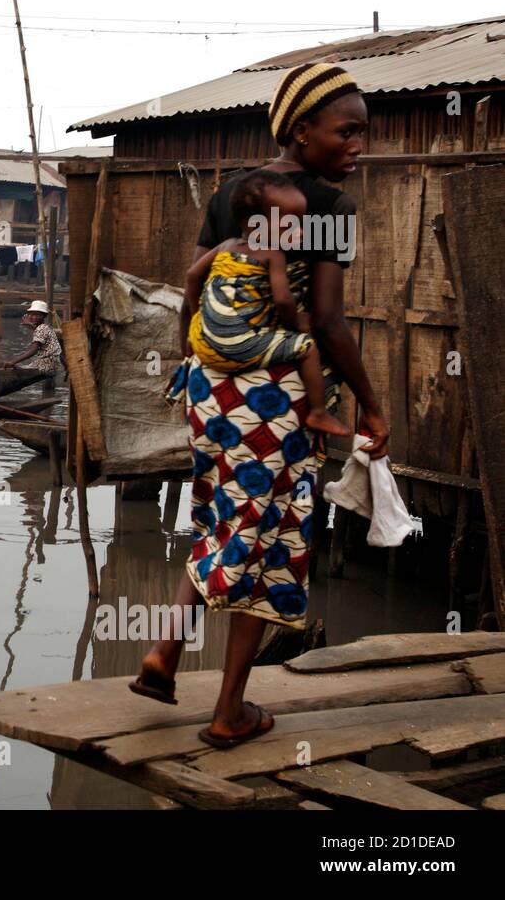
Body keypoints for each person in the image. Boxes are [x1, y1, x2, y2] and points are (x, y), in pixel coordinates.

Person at [131, 62, 390, 749]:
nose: (359, 144)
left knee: (220, 515)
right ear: (302, 131)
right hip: (280, 398)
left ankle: (164, 651)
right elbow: (330, 322)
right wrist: (370, 406)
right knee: (272, 537)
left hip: (212, 390)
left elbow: (203, 278)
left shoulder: (233, 192)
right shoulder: (329, 208)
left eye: (363, 132)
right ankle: (228, 710)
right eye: (348, 131)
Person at [184, 169, 349, 438]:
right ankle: (319, 413)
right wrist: (297, 323)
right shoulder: (273, 254)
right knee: (306, 348)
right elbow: (283, 299)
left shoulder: (226, 246)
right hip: (237, 345)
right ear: (256, 223)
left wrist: (197, 319)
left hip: (204, 341)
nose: (299, 229)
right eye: (290, 224)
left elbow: (192, 277)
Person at [4, 300, 63, 380]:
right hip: (53, 364)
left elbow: (33, 350)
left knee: (13, 371)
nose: (33, 317)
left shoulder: (41, 328)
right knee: (19, 367)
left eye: (37, 315)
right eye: (31, 315)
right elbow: (40, 335)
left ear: (44, 316)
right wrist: (32, 327)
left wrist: (13, 361)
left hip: (47, 365)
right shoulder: (45, 327)